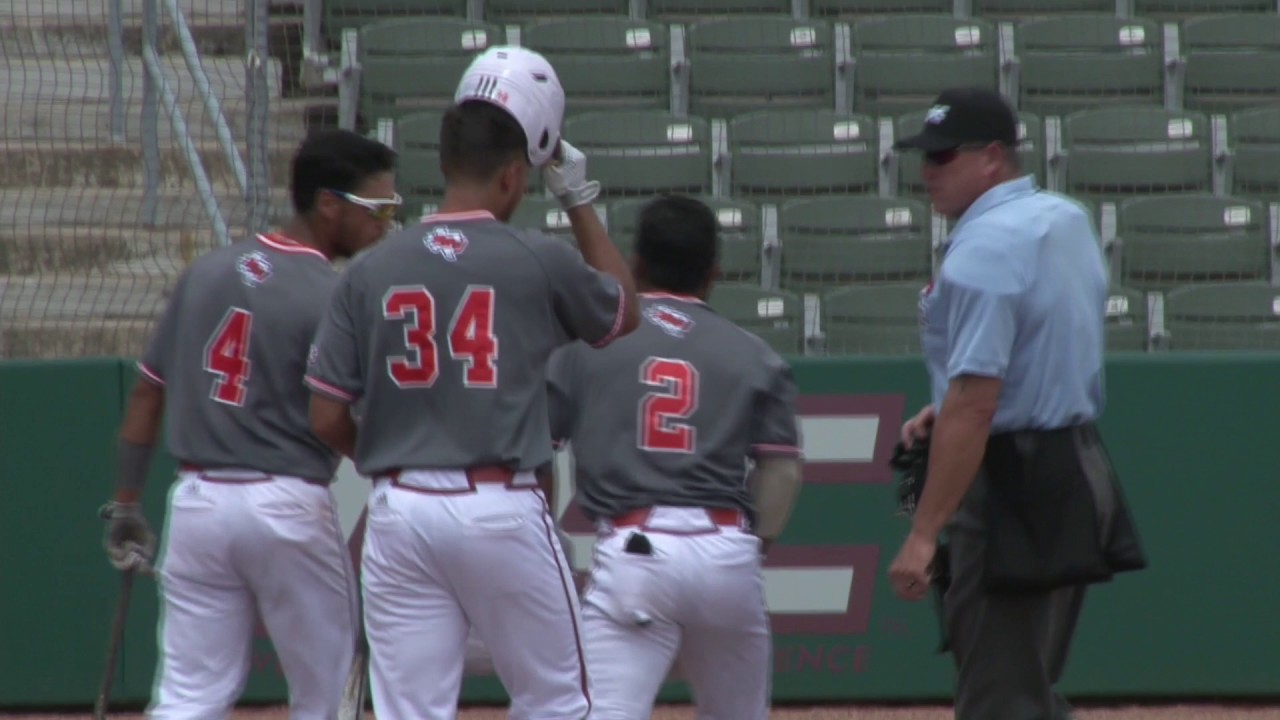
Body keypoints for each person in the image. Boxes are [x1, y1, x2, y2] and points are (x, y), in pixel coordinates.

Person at [304, 45, 640, 720]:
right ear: (515, 176)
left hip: (399, 510)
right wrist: (577, 197)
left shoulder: (370, 268)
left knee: (411, 710)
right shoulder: (534, 257)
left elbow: (324, 417)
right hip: (500, 507)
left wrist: (390, 454)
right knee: (557, 700)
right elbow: (623, 314)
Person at [98, 128, 400, 719]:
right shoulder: (334, 296)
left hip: (199, 504)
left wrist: (129, 503)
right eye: (378, 209)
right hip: (287, 501)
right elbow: (337, 417)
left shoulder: (205, 272)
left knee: (188, 695)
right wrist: (377, 461)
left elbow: (145, 396)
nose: (385, 223)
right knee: (327, 692)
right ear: (328, 204)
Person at [887, 87, 1146, 720]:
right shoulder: (1063, 218)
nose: (927, 171)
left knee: (1000, 701)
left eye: (944, 156)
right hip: (1074, 468)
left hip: (1011, 483)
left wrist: (922, 534)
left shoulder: (982, 250)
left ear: (992, 157)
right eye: (924, 155)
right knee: (1029, 682)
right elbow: (1040, 342)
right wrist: (945, 407)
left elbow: (978, 404)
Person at [546, 194, 804, 720]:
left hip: (634, 551)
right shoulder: (754, 354)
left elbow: (535, 456)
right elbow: (781, 472)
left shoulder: (582, 348)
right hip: (726, 549)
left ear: (635, 265)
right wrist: (754, 548)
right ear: (714, 273)